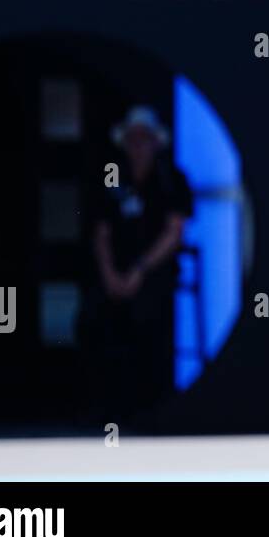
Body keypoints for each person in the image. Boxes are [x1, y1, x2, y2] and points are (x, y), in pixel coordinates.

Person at [85, 106, 194, 423]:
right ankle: (103, 408)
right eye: (132, 139)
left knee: (147, 318)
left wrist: (140, 270)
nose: (138, 146)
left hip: (154, 272)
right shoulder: (112, 177)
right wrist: (109, 275)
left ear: (155, 143)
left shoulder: (171, 179)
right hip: (115, 273)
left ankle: (151, 410)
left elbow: (175, 232)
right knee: (93, 317)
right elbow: (101, 231)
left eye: (144, 139)